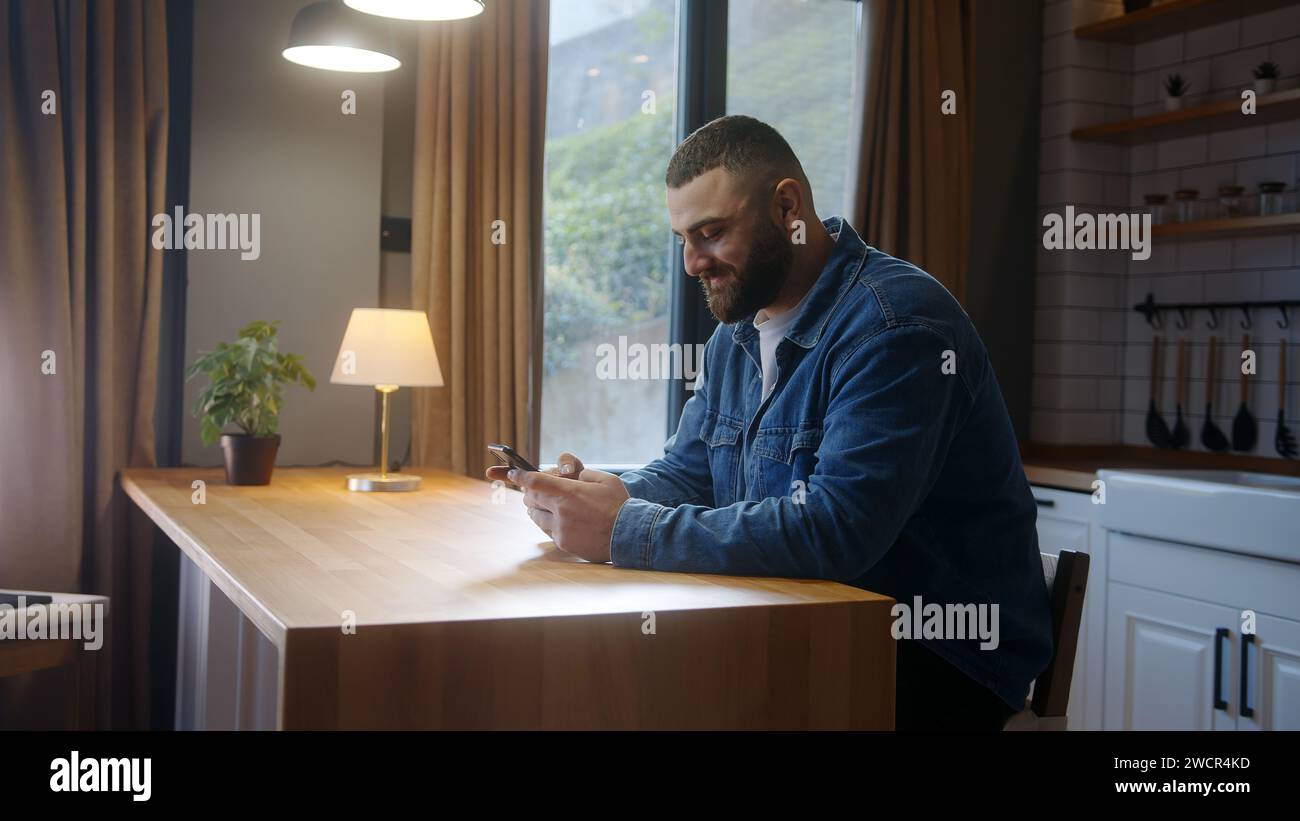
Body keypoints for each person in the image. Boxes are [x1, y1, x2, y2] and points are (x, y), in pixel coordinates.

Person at [487, 115, 1052, 731]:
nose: (691, 263)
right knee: (604, 690)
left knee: (635, 697)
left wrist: (623, 529)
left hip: (937, 660)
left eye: (710, 233)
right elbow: (689, 472)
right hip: (807, 626)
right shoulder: (737, 331)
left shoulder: (899, 329)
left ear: (788, 206)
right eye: (682, 237)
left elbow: (838, 532)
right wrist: (596, 493)